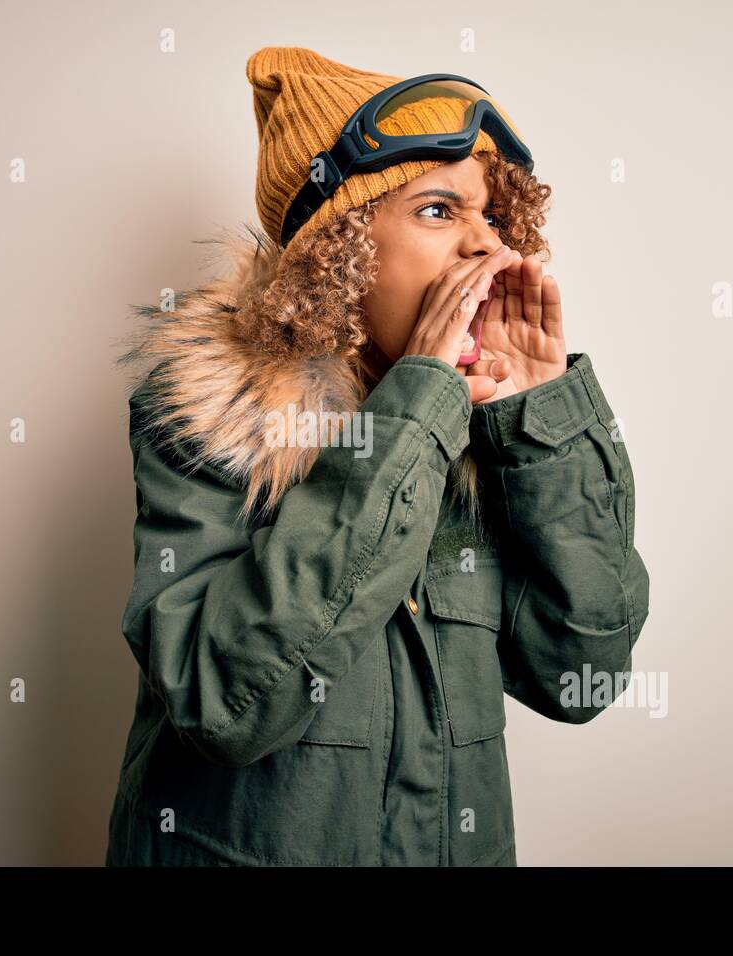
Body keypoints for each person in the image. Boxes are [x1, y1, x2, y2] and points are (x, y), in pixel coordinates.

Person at [105, 46, 650, 866]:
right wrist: (412, 422)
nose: (484, 246)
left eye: (492, 217)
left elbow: (585, 676)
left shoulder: (484, 434)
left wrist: (541, 427)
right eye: (438, 210)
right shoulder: (214, 421)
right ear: (339, 253)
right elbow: (223, 705)